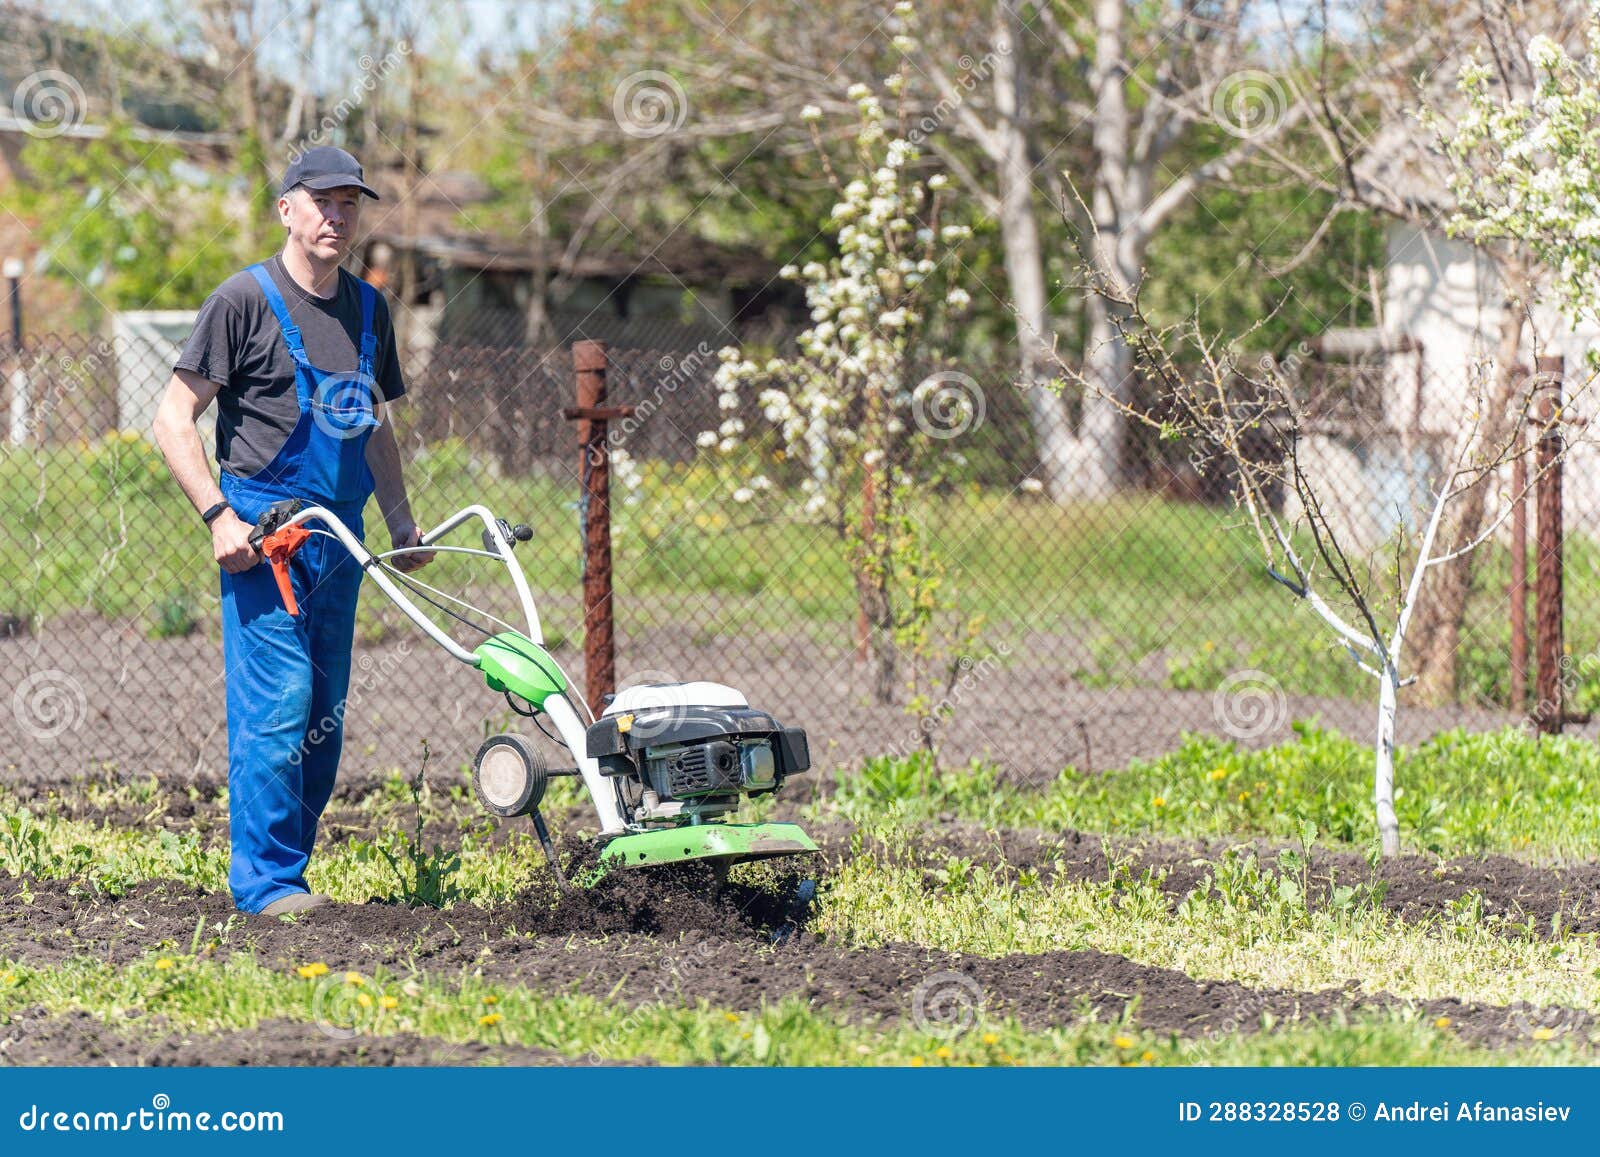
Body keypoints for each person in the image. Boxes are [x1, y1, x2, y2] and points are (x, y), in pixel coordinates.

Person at [152, 146, 431, 916]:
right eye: (322, 202)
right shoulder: (242, 301)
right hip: (265, 538)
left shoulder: (370, 310)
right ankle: (265, 883)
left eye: (350, 204)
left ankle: (289, 873)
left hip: (344, 540)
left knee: (321, 715)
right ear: (287, 209)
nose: (336, 216)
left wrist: (401, 520)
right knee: (280, 702)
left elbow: (372, 427)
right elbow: (172, 419)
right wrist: (218, 515)